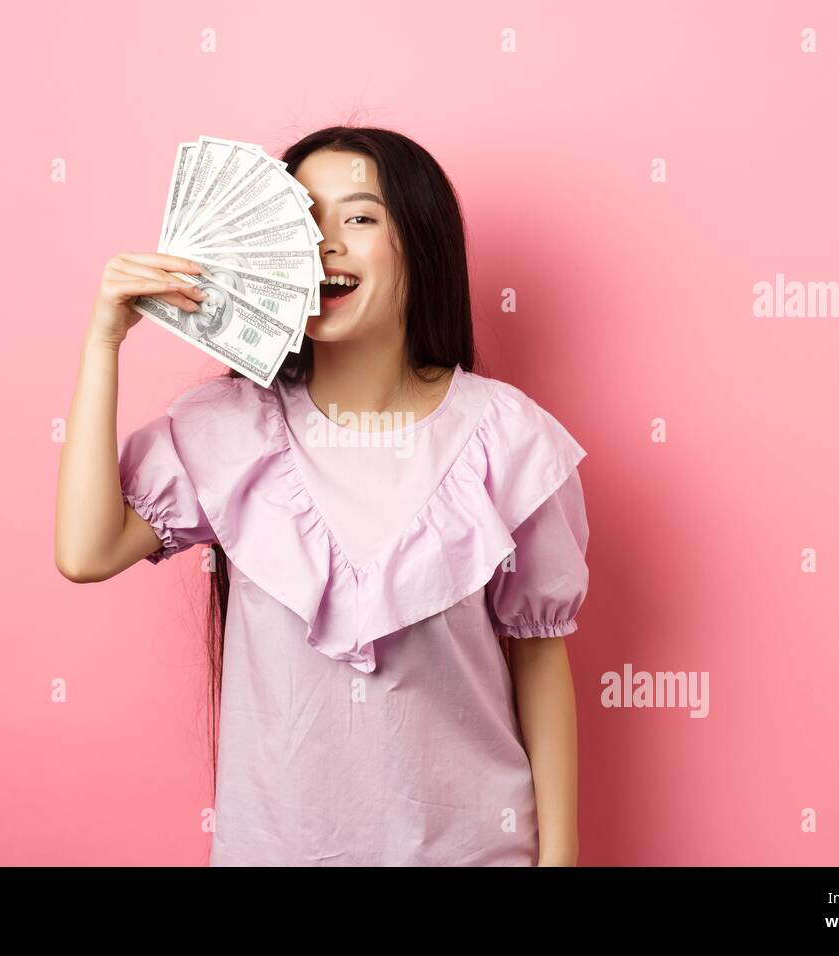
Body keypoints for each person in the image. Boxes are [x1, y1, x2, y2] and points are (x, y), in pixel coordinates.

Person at [54, 126, 590, 866]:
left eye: (360, 217)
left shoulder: (510, 439)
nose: (324, 242)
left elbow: (540, 662)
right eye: (302, 220)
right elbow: (85, 552)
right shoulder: (229, 429)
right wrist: (103, 341)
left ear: (421, 247)